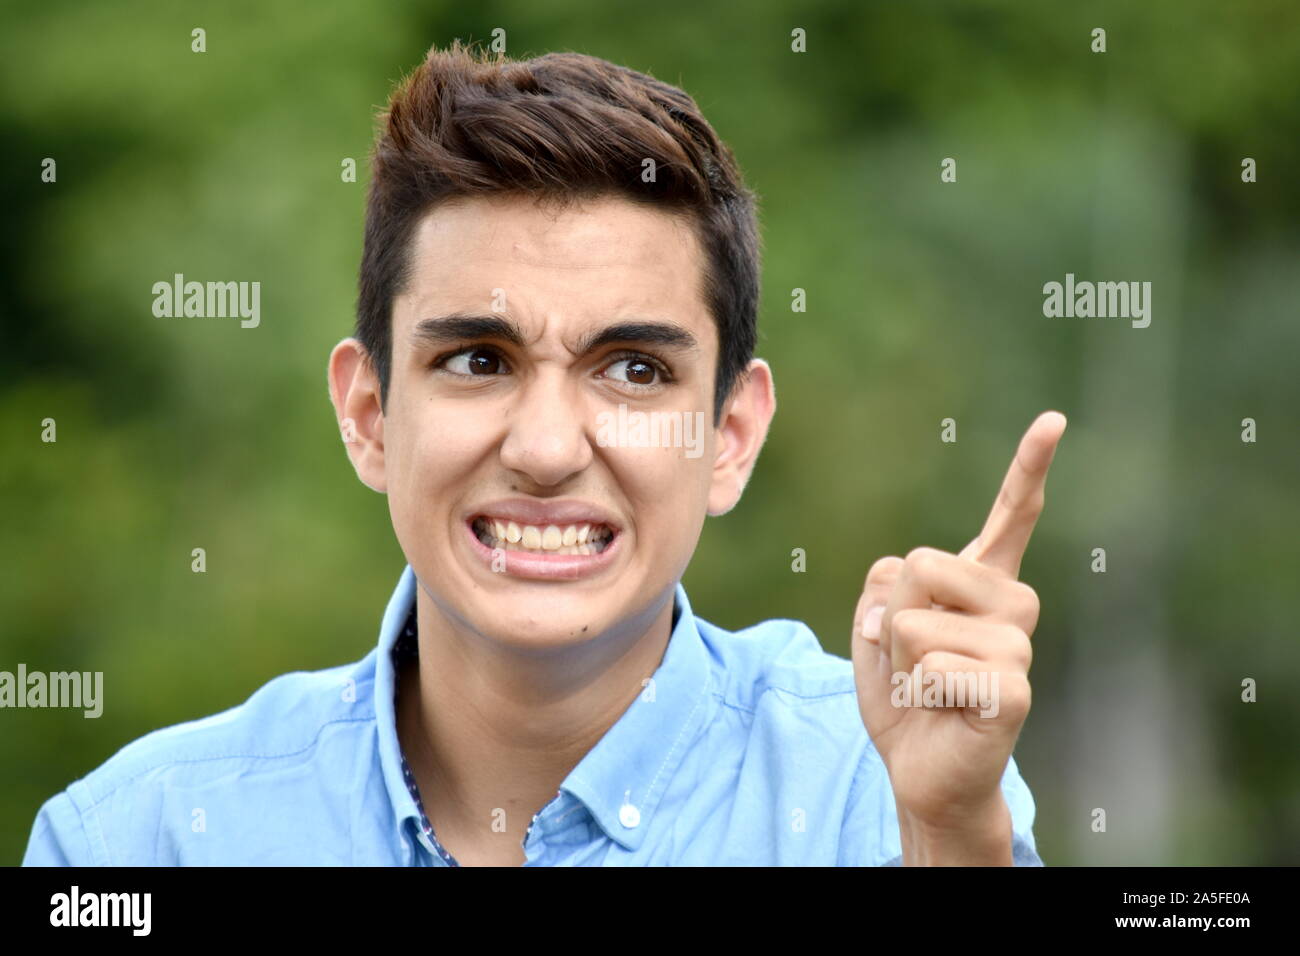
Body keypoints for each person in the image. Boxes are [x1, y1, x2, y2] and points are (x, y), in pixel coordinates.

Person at [23, 40, 1063, 866]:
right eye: (479, 358)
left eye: (635, 370)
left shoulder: (884, 793)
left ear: (730, 436)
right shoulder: (136, 843)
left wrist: (948, 844)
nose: (548, 446)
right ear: (371, 413)